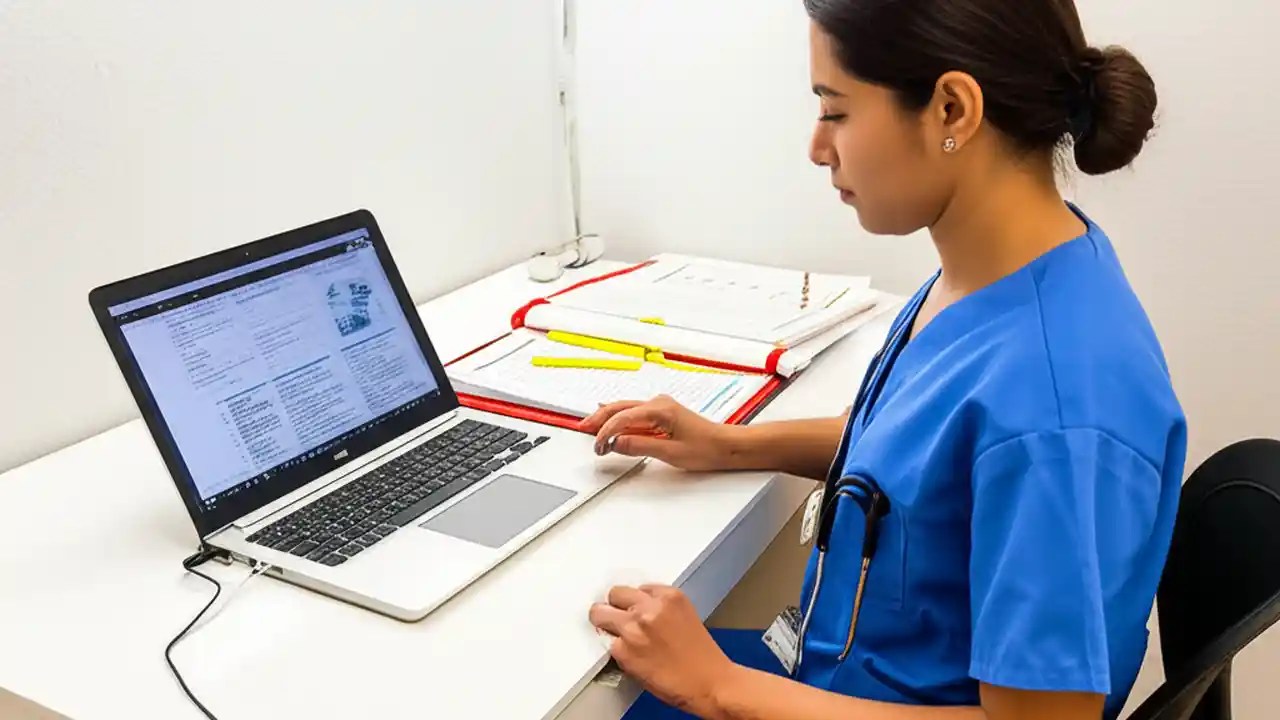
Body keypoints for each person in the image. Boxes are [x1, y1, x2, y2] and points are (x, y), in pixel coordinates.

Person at [582, 1, 1187, 719]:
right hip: (840, 670)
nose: (816, 146)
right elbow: (919, 453)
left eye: (835, 112)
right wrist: (729, 444)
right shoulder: (1006, 267)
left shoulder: (1056, 410)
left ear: (952, 111)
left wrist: (721, 687)